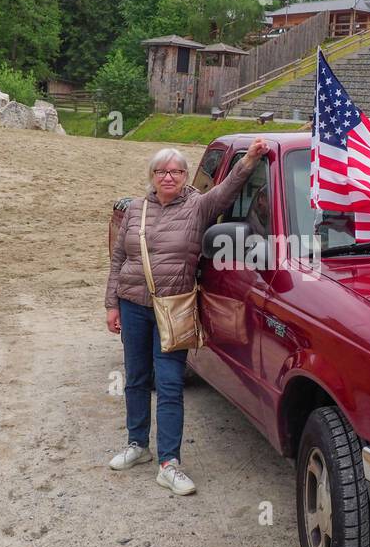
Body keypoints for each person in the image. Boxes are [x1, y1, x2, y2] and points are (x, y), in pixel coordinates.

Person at [105, 138, 269, 495]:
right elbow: (119, 260)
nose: (169, 177)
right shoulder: (135, 209)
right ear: (151, 175)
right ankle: (137, 444)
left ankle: (169, 462)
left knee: (168, 383)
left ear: (184, 175)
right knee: (136, 377)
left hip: (174, 307)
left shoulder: (198, 206)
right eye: (162, 171)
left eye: (177, 171)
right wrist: (111, 305)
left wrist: (250, 160)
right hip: (132, 304)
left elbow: (226, 191)